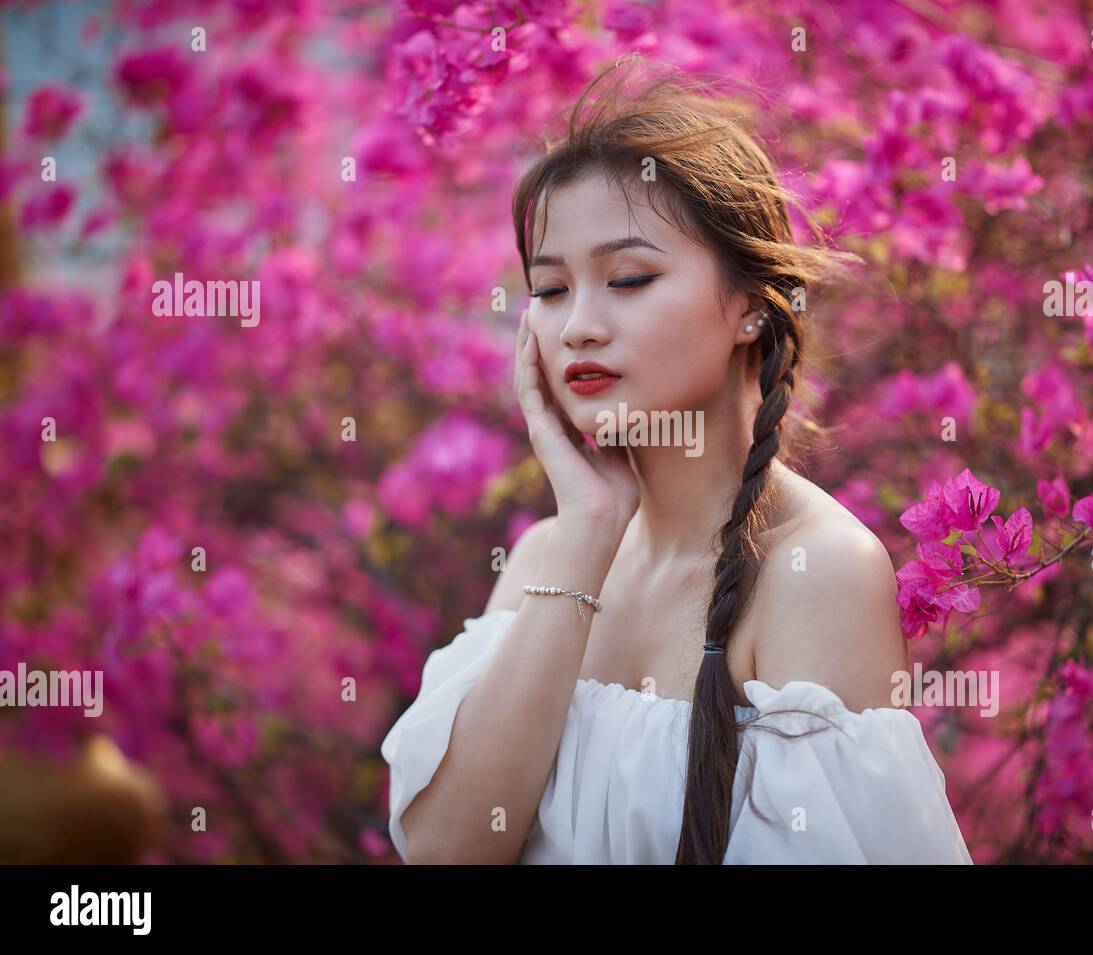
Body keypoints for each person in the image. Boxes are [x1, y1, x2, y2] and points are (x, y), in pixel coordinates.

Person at [381, 56, 973, 865]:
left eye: (628, 277)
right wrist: (588, 529)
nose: (580, 325)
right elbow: (446, 851)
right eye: (551, 290)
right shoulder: (547, 558)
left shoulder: (818, 570)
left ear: (750, 311)